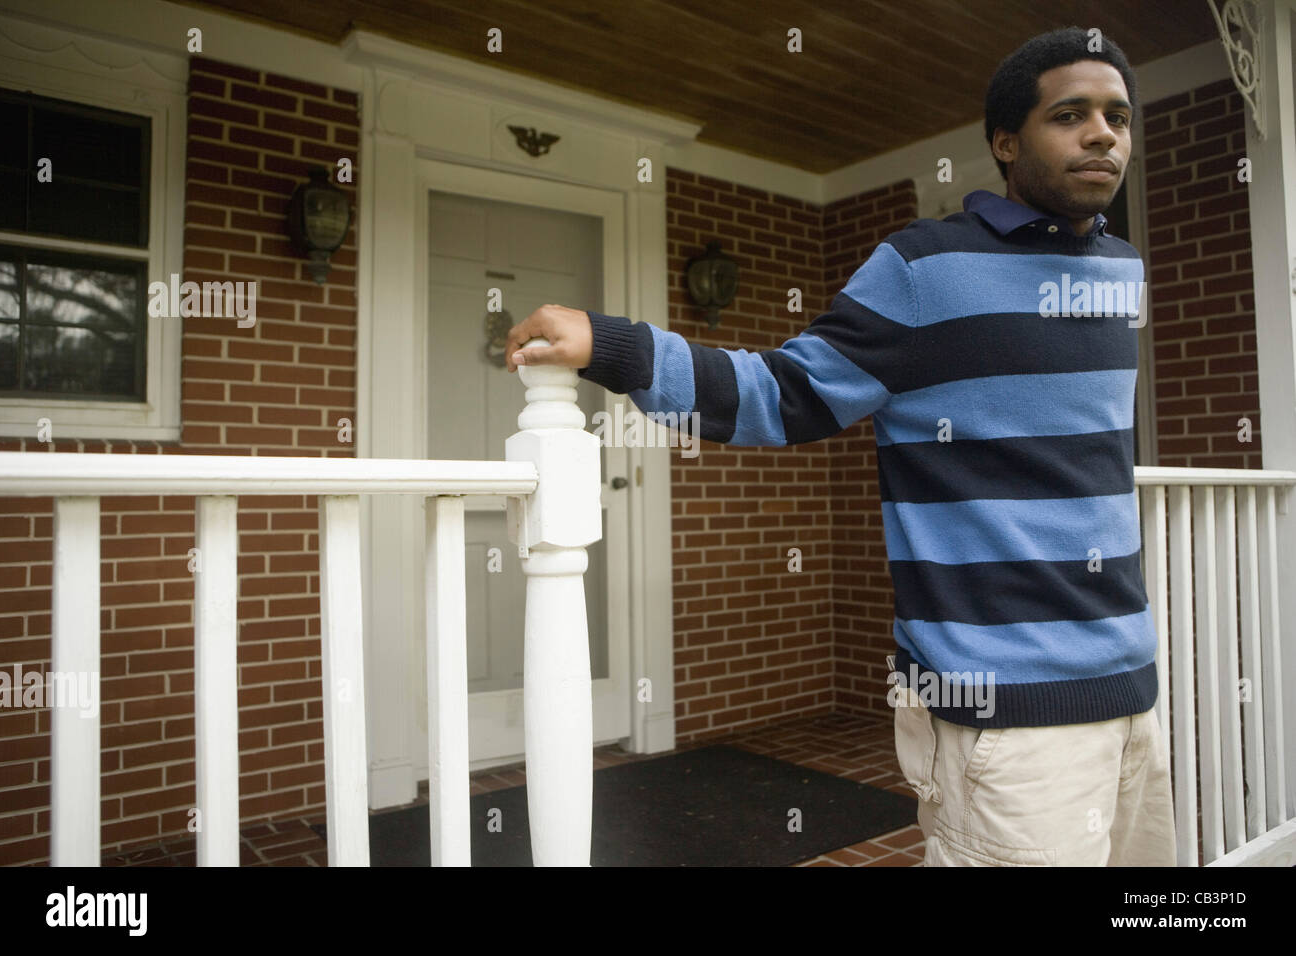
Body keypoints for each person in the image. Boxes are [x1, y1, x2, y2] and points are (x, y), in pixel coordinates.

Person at [503, 26, 1176, 867]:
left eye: (1117, 115)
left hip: (1131, 687)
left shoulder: (1122, 270)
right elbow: (785, 397)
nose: (1102, 132)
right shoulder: (926, 268)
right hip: (1004, 708)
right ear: (1006, 142)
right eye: (1069, 114)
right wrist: (616, 345)